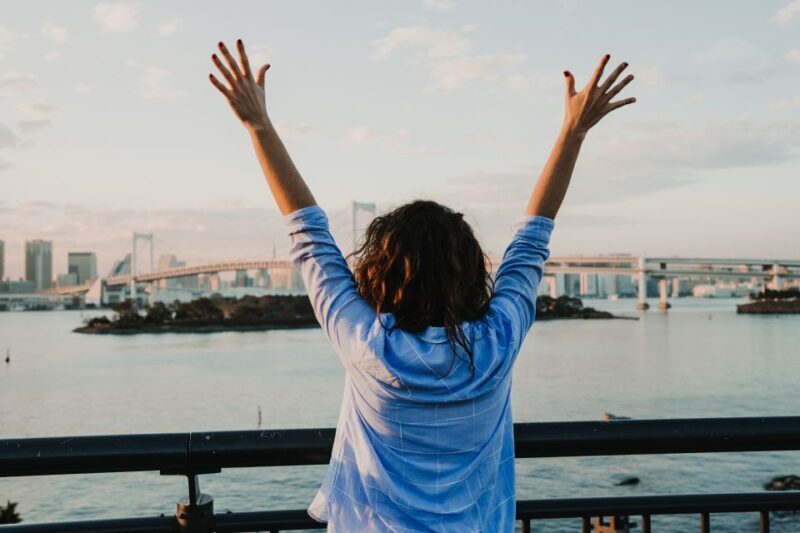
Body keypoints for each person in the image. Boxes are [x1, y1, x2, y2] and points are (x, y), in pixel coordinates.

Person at [209, 39, 635, 532]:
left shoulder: (366, 343)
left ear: (377, 271)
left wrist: (258, 126)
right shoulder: (497, 342)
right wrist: (573, 131)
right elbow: (532, 240)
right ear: (473, 271)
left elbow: (308, 235)